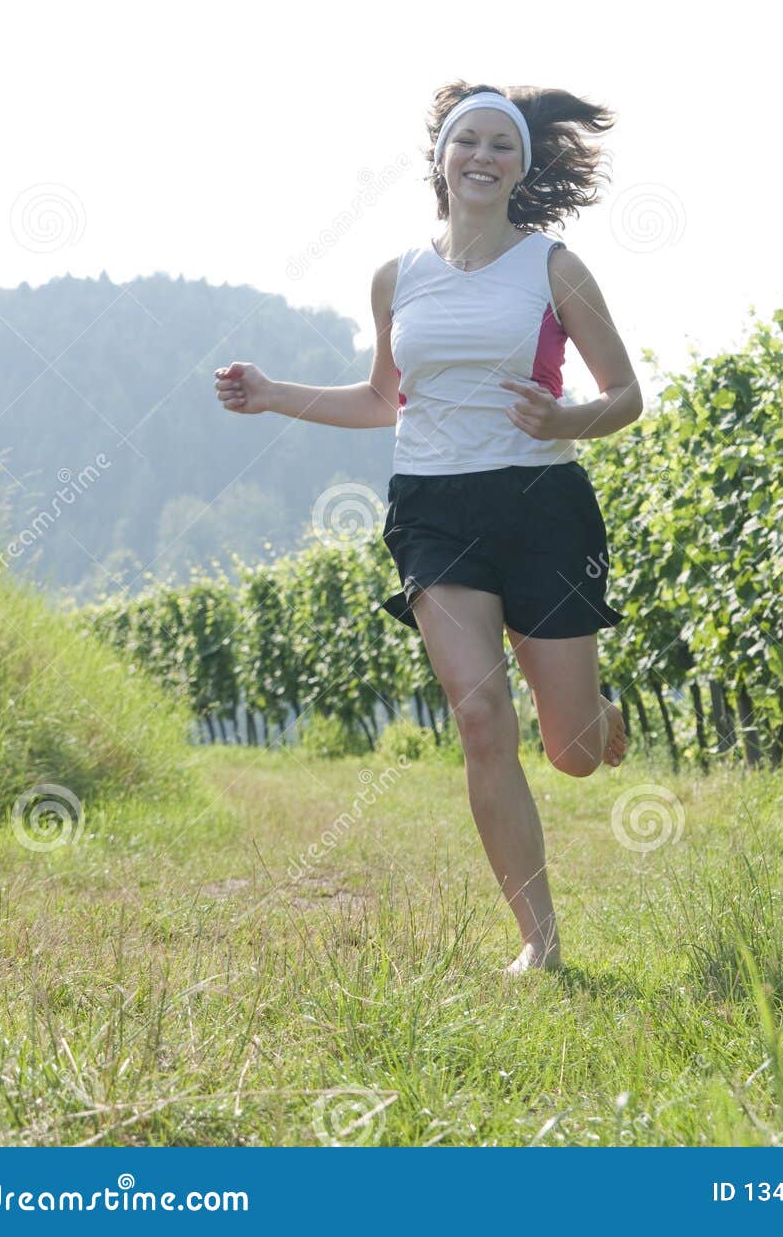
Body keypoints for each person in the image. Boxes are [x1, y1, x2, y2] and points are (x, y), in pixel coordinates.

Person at [214, 82, 643, 974]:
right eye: (467, 141)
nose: (482, 156)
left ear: (522, 167)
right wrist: (274, 394)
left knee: (570, 752)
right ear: (441, 159)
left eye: (501, 145)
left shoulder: (554, 269)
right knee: (480, 717)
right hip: (434, 509)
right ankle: (539, 943)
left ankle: (594, 714)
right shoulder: (396, 276)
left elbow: (625, 396)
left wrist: (566, 419)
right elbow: (384, 400)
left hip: (542, 504)